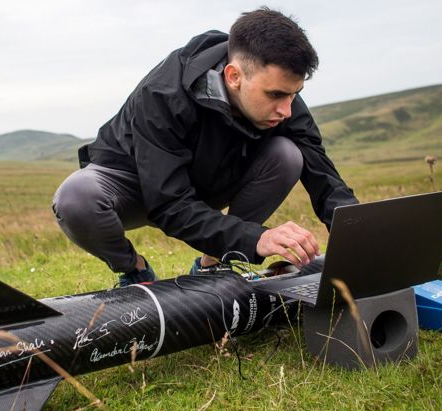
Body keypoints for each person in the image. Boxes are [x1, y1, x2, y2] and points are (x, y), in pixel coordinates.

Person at [52, 7, 357, 286]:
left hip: (206, 180)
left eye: (294, 94)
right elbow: (169, 204)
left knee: (289, 155)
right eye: (276, 95)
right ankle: (134, 269)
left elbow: (321, 172)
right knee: (76, 198)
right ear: (234, 76)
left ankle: (215, 264)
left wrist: (361, 233)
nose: (287, 110)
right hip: (139, 186)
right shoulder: (162, 94)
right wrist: (256, 238)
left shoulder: (274, 86)